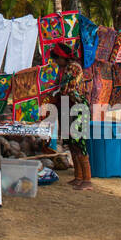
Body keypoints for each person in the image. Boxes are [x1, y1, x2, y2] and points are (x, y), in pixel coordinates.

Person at [48, 42, 92, 190]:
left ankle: (87, 179)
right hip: (67, 106)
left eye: (57, 59)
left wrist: (57, 91)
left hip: (77, 107)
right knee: (72, 143)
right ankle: (78, 176)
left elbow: (69, 88)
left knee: (79, 143)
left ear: (63, 57)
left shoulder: (73, 68)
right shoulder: (65, 68)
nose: (56, 62)